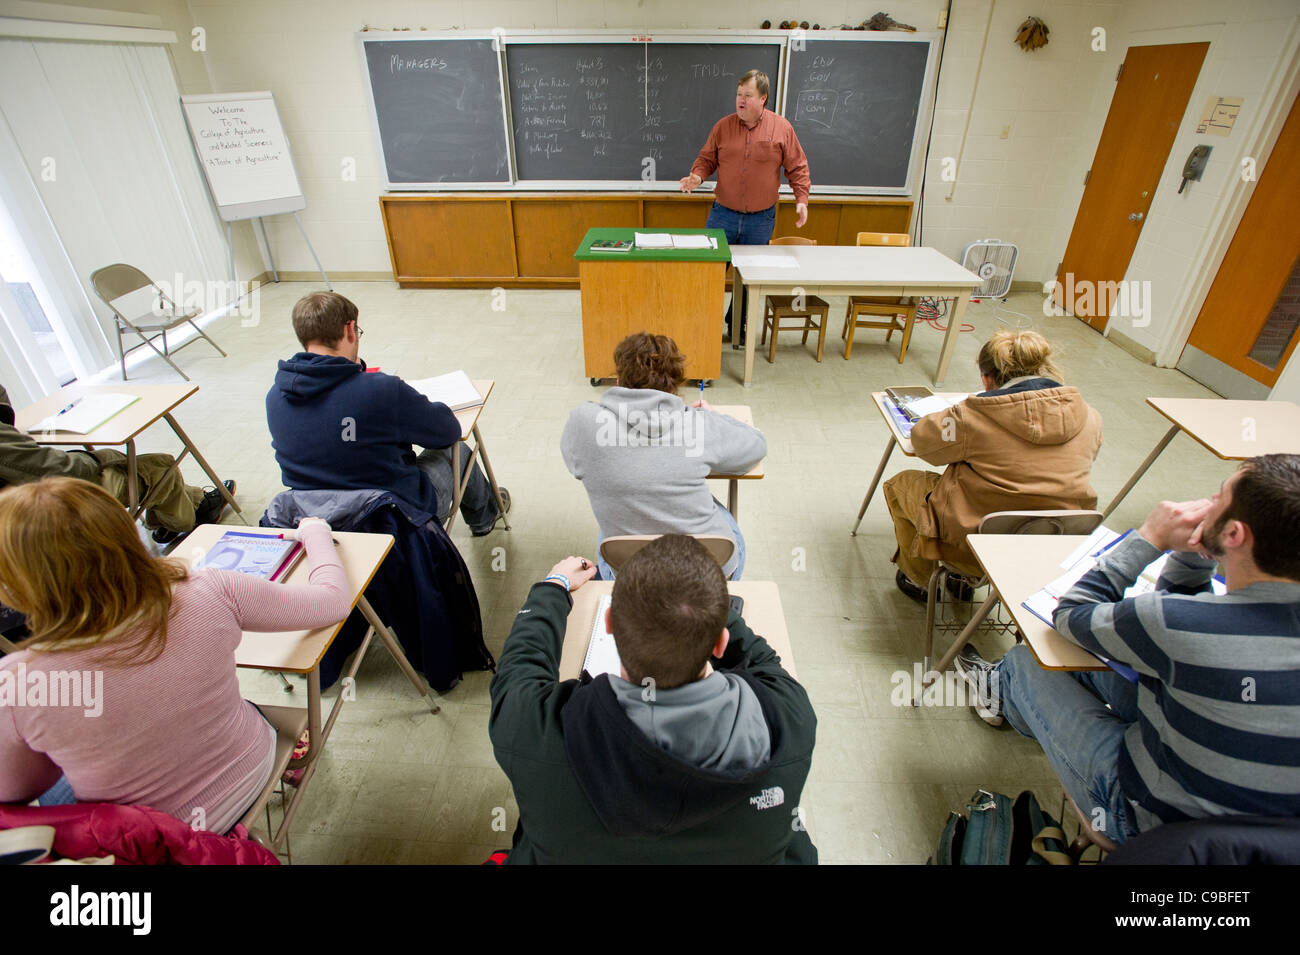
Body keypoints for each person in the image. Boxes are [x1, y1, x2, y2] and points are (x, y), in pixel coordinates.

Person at [953, 455, 1300, 845]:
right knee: (1114, 667)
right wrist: (1189, 553)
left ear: (1234, 534)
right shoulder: (1186, 624)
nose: (1209, 499)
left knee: (1025, 661)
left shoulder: (1176, 622)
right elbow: (1186, 641)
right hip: (1266, 842)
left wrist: (1150, 536)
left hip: (1148, 824)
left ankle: (1000, 690)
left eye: (1219, 495)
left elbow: (1071, 613)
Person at [0, 477, 353, 832]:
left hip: (159, 840)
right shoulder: (211, 588)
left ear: (16, 584)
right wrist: (316, 533)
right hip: (253, 766)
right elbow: (332, 601)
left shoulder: (20, 681)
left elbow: (16, 789)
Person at [488, 535, 818, 863]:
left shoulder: (530, 730)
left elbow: (521, 664)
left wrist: (554, 585)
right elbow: (763, 661)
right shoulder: (789, 719)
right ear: (719, 644)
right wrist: (704, 612)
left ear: (610, 624)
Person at [883, 329, 1102, 602]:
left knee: (899, 484)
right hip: (1051, 548)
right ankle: (961, 581)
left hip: (975, 548)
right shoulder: (1090, 416)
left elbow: (923, 441)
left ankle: (920, 581)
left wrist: (961, 410)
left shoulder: (971, 416)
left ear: (987, 379)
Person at [265, 291, 508, 535]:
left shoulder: (275, 396)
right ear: (350, 330)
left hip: (316, 520)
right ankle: (484, 518)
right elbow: (448, 431)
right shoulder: (380, 390)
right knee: (458, 450)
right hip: (392, 517)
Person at [561, 332, 765, 580]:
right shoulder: (698, 425)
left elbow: (575, 464)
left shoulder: (582, 422)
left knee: (610, 530)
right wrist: (711, 417)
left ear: (617, 380)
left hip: (632, 576)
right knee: (719, 514)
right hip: (709, 576)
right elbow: (756, 446)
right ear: (675, 385)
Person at [0, 383, 233, 544]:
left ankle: (180, 508)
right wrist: (95, 458)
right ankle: (187, 517)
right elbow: (59, 470)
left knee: (112, 459)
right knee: (158, 466)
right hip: (29, 507)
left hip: (17, 494)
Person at [679, 69, 811, 342]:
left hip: (760, 219)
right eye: (739, 94)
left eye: (747, 95)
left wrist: (801, 200)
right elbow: (706, 159)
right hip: (723, 215)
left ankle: (736, 325)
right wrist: (697, 176)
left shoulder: (782, 128)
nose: (741, 100)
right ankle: (703, 325)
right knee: (709, 273)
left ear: (762, 98)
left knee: (750, 279)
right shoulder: (723, 127)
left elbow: (797, 166)